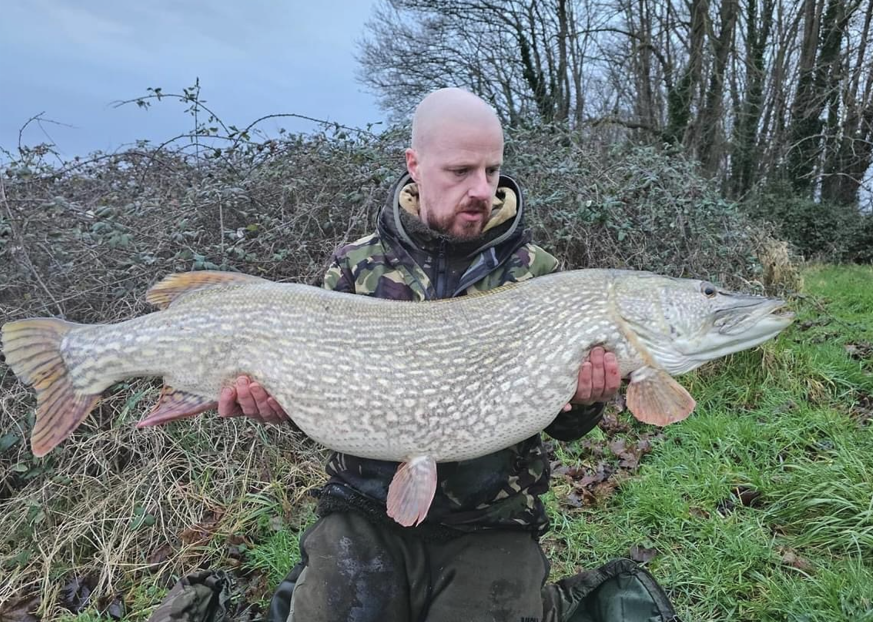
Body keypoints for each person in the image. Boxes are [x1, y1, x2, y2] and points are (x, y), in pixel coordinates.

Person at [216, 89, 672, 622]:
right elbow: (325, 406)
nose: (482, 189)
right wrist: (279, 404)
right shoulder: (354, 270)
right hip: (363, 508)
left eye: (492, 169)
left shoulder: (539, 276)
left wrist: (589, 401)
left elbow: (564, 427)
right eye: (460, 171)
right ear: (415, 165)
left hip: (493, 519)